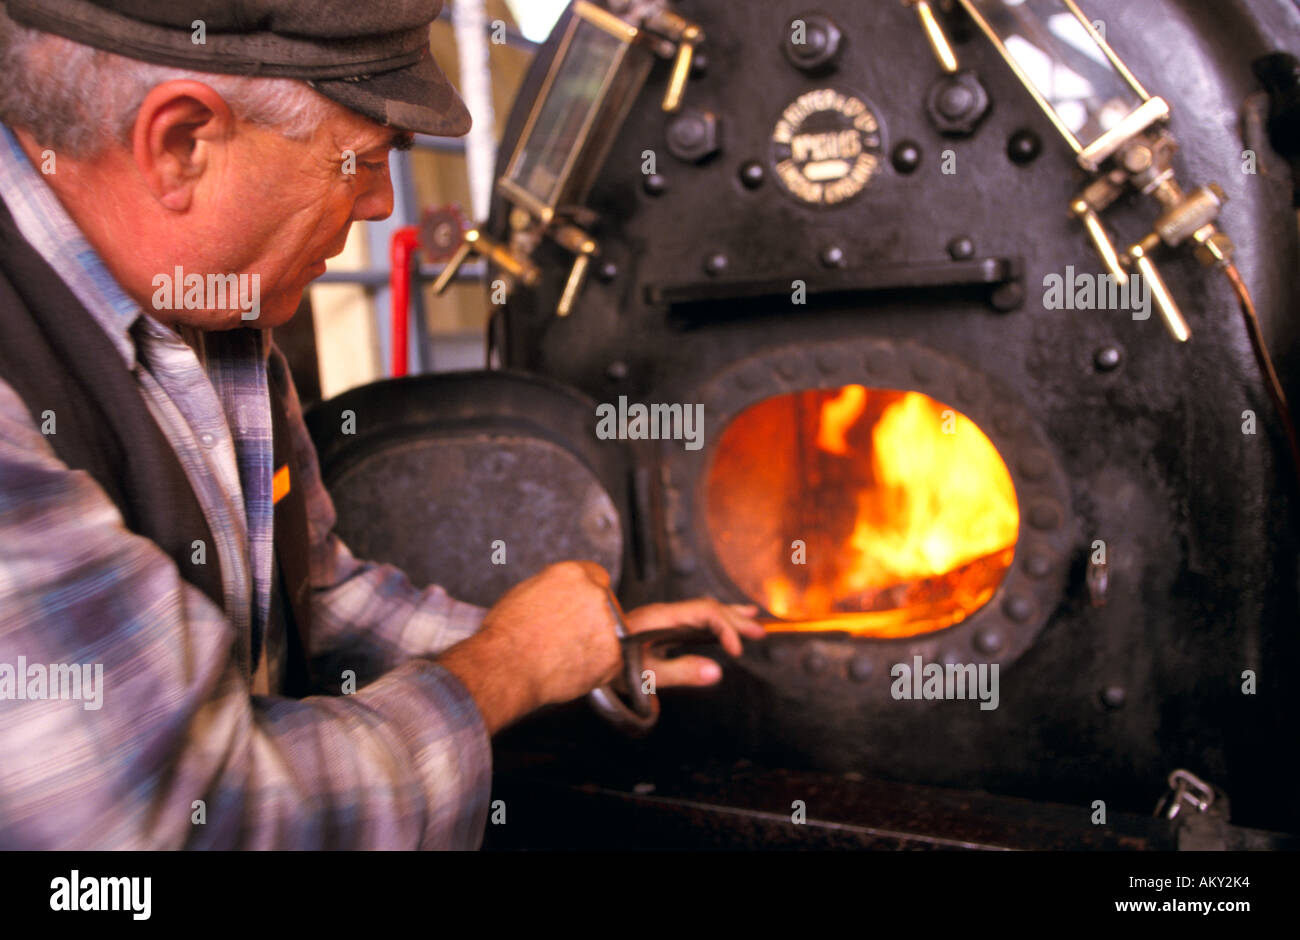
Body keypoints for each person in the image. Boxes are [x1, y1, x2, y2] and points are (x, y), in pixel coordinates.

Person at [0, 0, 764, 849]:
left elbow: (313, 598)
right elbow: (183, 820)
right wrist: (506, 668)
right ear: (182, 143)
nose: (379, 203)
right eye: (359, 160)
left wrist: (571, 651)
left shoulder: (211, 314)